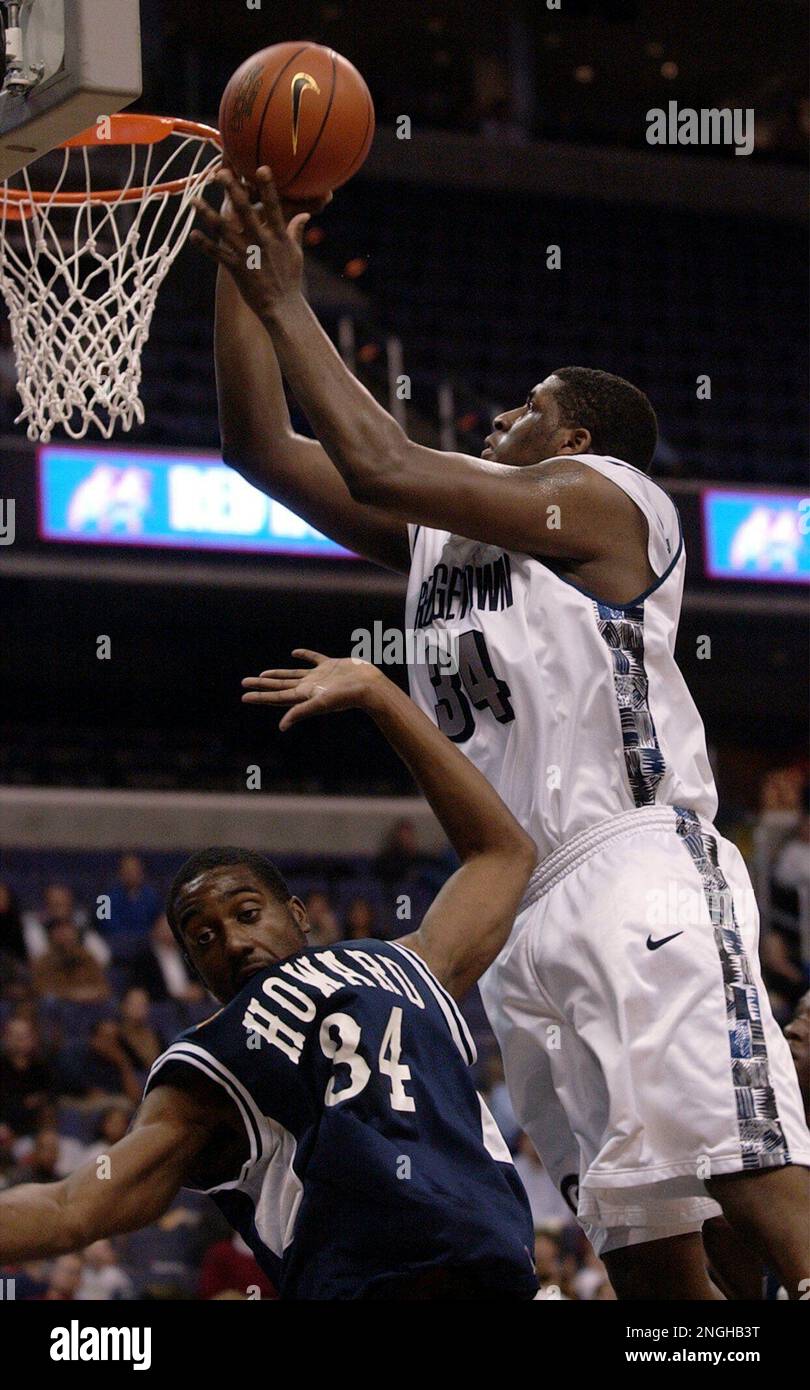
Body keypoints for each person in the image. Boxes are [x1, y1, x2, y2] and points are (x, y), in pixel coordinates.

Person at [192, 168, 810, 1299]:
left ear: (574, 437)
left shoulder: (614, 501)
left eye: (523, 408)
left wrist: (292, 299)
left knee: (747, 1158)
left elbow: (384, 460)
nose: (496, 419)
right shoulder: (442, 542)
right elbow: (262, 452)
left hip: (636, 862)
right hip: (517, 906)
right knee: (640, 1234)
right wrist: (241, 272)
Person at [0, 653, 538, 1300]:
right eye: (202, 938)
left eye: (246, 913)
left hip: (500, 1280)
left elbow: (505, 852)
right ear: (195, 969)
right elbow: (72, 1210)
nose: (230, 939)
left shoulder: (408, 961)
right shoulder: (206, 1062)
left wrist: (380, 695)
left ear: (298, 914)